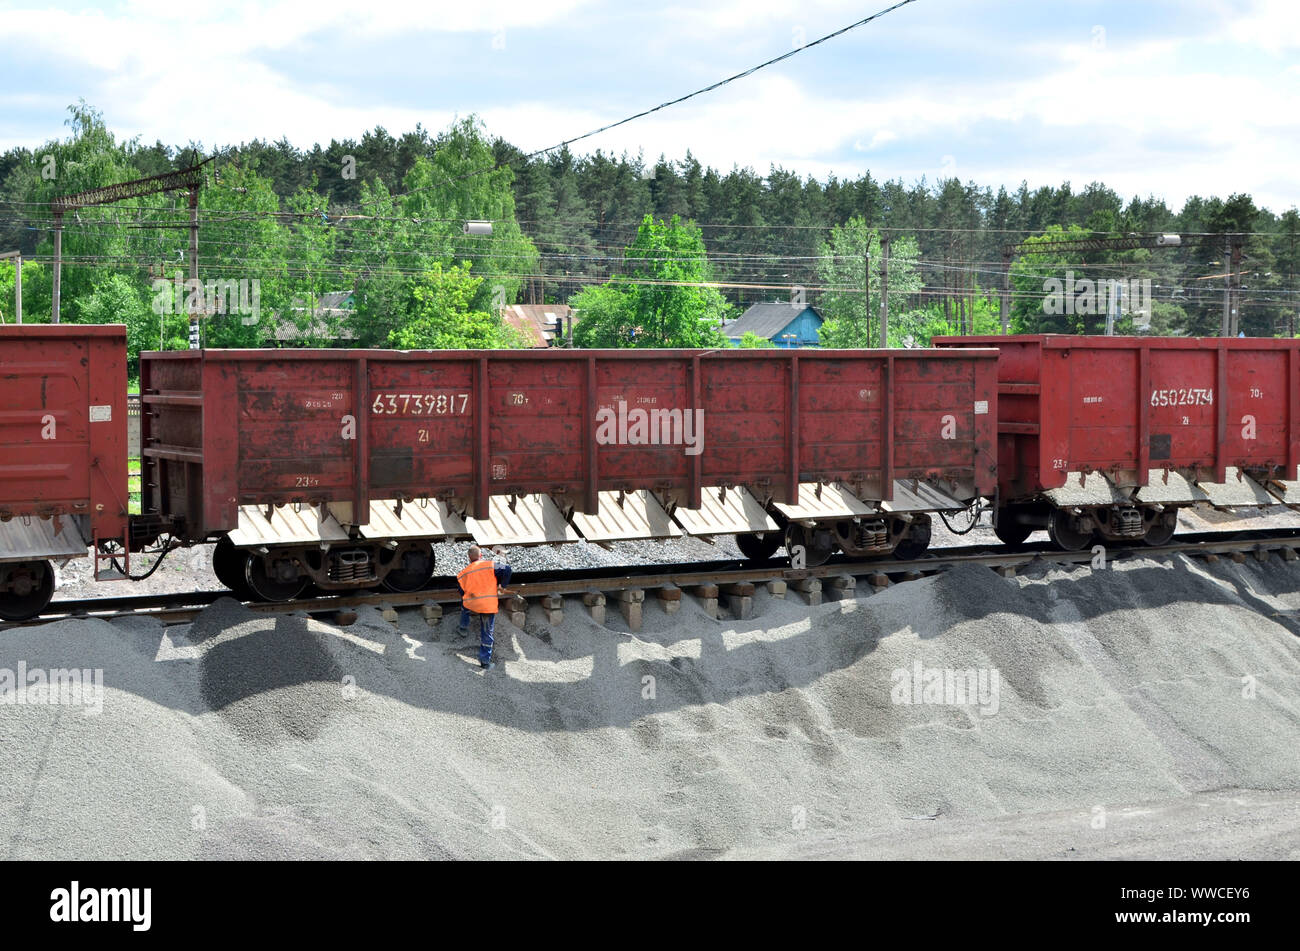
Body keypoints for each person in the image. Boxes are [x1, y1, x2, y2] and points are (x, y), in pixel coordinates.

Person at [456, 546, 512, 670]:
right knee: (487, 632)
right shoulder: (490, 565)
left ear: (469, 558)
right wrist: (502, 586)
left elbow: (461, 591)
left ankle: (463, 628)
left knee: (464, 604)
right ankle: (485, 662)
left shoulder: (464, 573)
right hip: (487, 605)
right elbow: (507, 569)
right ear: (481, 556)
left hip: (471, 604)